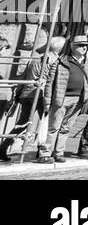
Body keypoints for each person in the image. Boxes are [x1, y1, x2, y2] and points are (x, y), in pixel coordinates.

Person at [0, 29, 49, 164]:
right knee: (42, 123)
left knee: (25, 123)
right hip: (36, 95)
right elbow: (43, 79)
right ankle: (42, 152)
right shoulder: (45, 60)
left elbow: (23, 75)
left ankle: (4, 147)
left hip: (28, 94)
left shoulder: (35, 59)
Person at [40, 35, 88, 164]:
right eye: (81, 45)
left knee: (66, 128)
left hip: (77, 100)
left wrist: (85, 99)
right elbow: (50, 83)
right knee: (54, 127)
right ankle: (45, 153)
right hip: (61, 99)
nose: (84, 47)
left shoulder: (85, 64)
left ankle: (59, 152)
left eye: (86, 45)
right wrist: (47, 101)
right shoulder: (61, 61)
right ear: (73, 46)